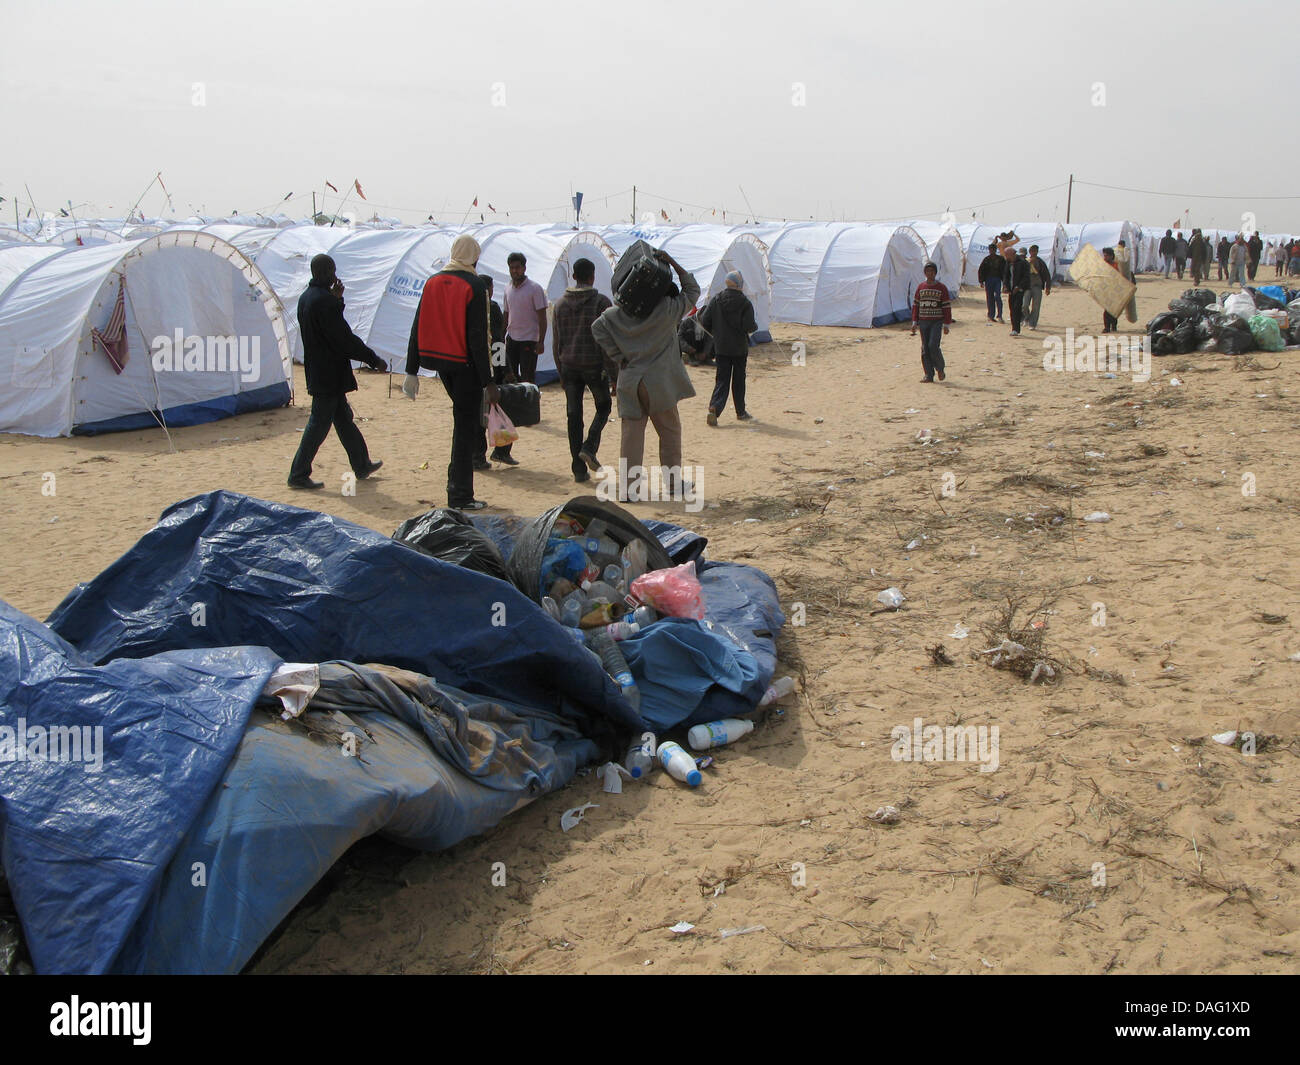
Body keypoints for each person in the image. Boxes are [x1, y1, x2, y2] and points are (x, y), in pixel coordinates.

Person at [591, 248, 699, 501]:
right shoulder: (666, 310)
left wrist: (619, 357)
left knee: (631, 436)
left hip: (629, 381)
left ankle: (629, 491)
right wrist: (672, 261)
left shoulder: (615, 314)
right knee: (670, 432)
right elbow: (693, 292)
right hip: (659, 383)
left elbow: (597, 329)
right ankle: (673, 484)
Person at [404, 234, 499, 510]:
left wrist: (411, 369)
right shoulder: (474, 286)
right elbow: (478, 339)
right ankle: (460, 495)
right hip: (464, 365)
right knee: (464, 427)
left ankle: (456, 486)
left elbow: (417, 325)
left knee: (462, 422)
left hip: (439, 363)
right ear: (473, 257)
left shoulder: (432, 282)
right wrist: (488, 381)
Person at [288, 254, 385, 490]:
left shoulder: (307, 298)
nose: (334, 275)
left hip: (319, 370)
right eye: (331, 271)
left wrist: (337, 301)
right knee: (319, 423)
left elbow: (327, 328)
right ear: (326, 273)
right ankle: (298, 474)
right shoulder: (323, 301)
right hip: (329, 374)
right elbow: (343, 339)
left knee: (343, 419)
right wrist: (372, 359)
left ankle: (361, 464)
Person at [552, 257, 614, 483]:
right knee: (604, 406)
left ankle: (578, 469)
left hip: (569, 367)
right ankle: (589, 446)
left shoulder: (559, 304)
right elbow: (607, 342)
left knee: (573, 416)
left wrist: (560, 370)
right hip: (593, 366)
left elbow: (557, 342)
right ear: (592, 276)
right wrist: (613, 373)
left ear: (574, 276)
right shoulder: (601, 303)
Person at [495, 251, 548, 466]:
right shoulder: (507, 288)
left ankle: (529, 413)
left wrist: (541, 340)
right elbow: (506, 314)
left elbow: (542, 317)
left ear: (524, 268)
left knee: (528, 378)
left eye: (518, 267)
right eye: (512, 268)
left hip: (528, 339)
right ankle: (515, 412)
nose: (515, 271)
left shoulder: (534, 289)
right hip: (512, 339)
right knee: (510, 377)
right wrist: (502, 337)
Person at [701, 270, 758, 425]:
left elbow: (705, 321)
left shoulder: (716, 300)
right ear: (739, 284)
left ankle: (714, 407)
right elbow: (750, 326)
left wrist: (718, 332)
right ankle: (740, 412)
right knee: (739, 380)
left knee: (722, 379)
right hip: (739, 348)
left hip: (721, 347)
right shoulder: (745, 303)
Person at [472, 274, 505, 472]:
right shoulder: (491, 308)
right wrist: (502, 370)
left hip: (473, 367)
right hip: (491, 368)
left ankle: (477, 454)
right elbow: (498, 341)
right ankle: (496, 451)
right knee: (490, 412)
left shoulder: (469, 307)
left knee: (476, 413)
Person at [910, 261, 952, 383]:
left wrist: (946, 324)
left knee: (933, 345)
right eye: (927, 271)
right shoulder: (921, 287)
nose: (930, 273)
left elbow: (946, 307)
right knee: (925, 348)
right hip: (923, 321)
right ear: (925, 273)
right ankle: (928, 374)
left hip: (936, 321)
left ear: (935, 273)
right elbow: (916, 305)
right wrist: (914, 322)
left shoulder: (941, 288)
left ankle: (940, 368)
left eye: (932, 271)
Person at [1001, 245, 1030, 336]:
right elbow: (1005, 275)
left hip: (1020, 289)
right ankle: (1016, 324)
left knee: (1017, 308)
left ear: (1011, 254)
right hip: (1011, 289)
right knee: (1012, 308)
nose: (1006, 256)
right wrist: (1005, 285)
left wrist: (1019, 286)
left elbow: (1026, 277)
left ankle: (1016, 329)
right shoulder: (1008, 262)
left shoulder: (1023, 263)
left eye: (1006, 255)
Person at [1024, 244, 1052, 329]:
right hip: (1027, 286)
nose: (1034, 253)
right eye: (1032, 251)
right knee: (1024, 305)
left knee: (1036, 306)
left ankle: (1032, 324)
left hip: (1037, 286)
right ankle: (1027, 318)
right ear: (1029, 252)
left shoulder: (1040, 262)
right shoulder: (1026, 262)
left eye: (1035, 251)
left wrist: (1048, 287)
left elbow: (1047, 275)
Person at [978, 243, 1004, 323]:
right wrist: (981, 281)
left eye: (993, 250)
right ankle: (991, 315)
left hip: (997, 279)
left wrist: (1005, 282)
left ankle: (999, 315)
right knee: (990, 298)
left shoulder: (1000, 259)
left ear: (995, 250)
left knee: (998, 297)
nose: (992, 251)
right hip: (988, 280)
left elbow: (1004, 271)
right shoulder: (986, 259)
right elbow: (981, 270)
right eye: (990, 250)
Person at [1100, 247, 1121, 334]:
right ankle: (1107, 327)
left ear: (1111, 256)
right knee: (1107, 309)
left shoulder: (1116, 265)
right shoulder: (1103, 264)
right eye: (1104, 255)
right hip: (1106, 290)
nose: (1105, 257)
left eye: (1106, 256)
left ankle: (1114, 325)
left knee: (1114, 309)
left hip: (1114, 289)